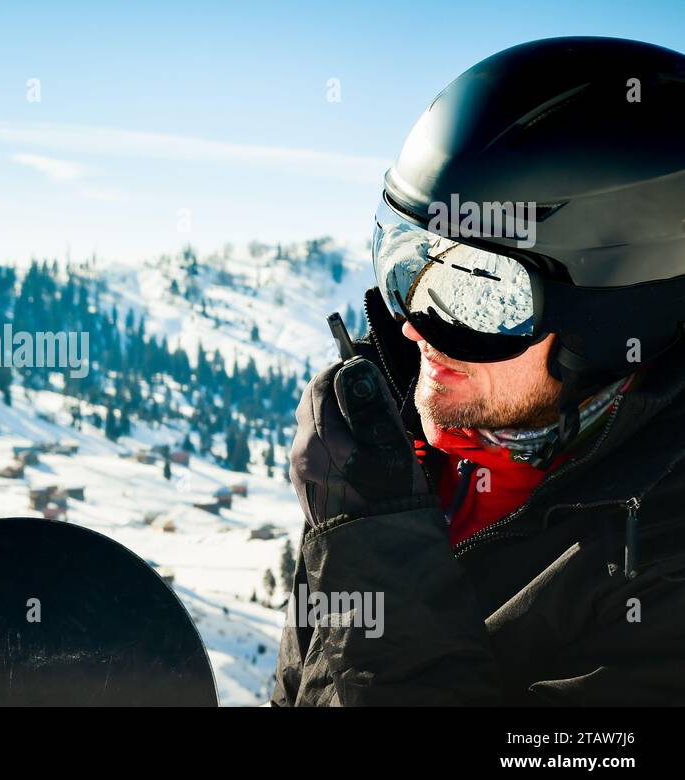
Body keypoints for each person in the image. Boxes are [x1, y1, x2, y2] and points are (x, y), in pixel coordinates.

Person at [273, 36, 685, 706]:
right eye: (409, 261)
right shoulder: (386, 453)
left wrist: (377, 554)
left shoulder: (663, 566)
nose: (414, 325)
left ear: (615, 322)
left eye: (482, 294)